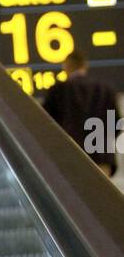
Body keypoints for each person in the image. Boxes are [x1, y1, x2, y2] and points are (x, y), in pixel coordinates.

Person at [41, 48, 119, 176]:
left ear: (65, 67)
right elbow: (115, 124)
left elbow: (46, 125)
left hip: (70, 159)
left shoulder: (58, 91)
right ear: (85, 66)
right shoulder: (106, 90)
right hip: (101, 158)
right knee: (101, 195)